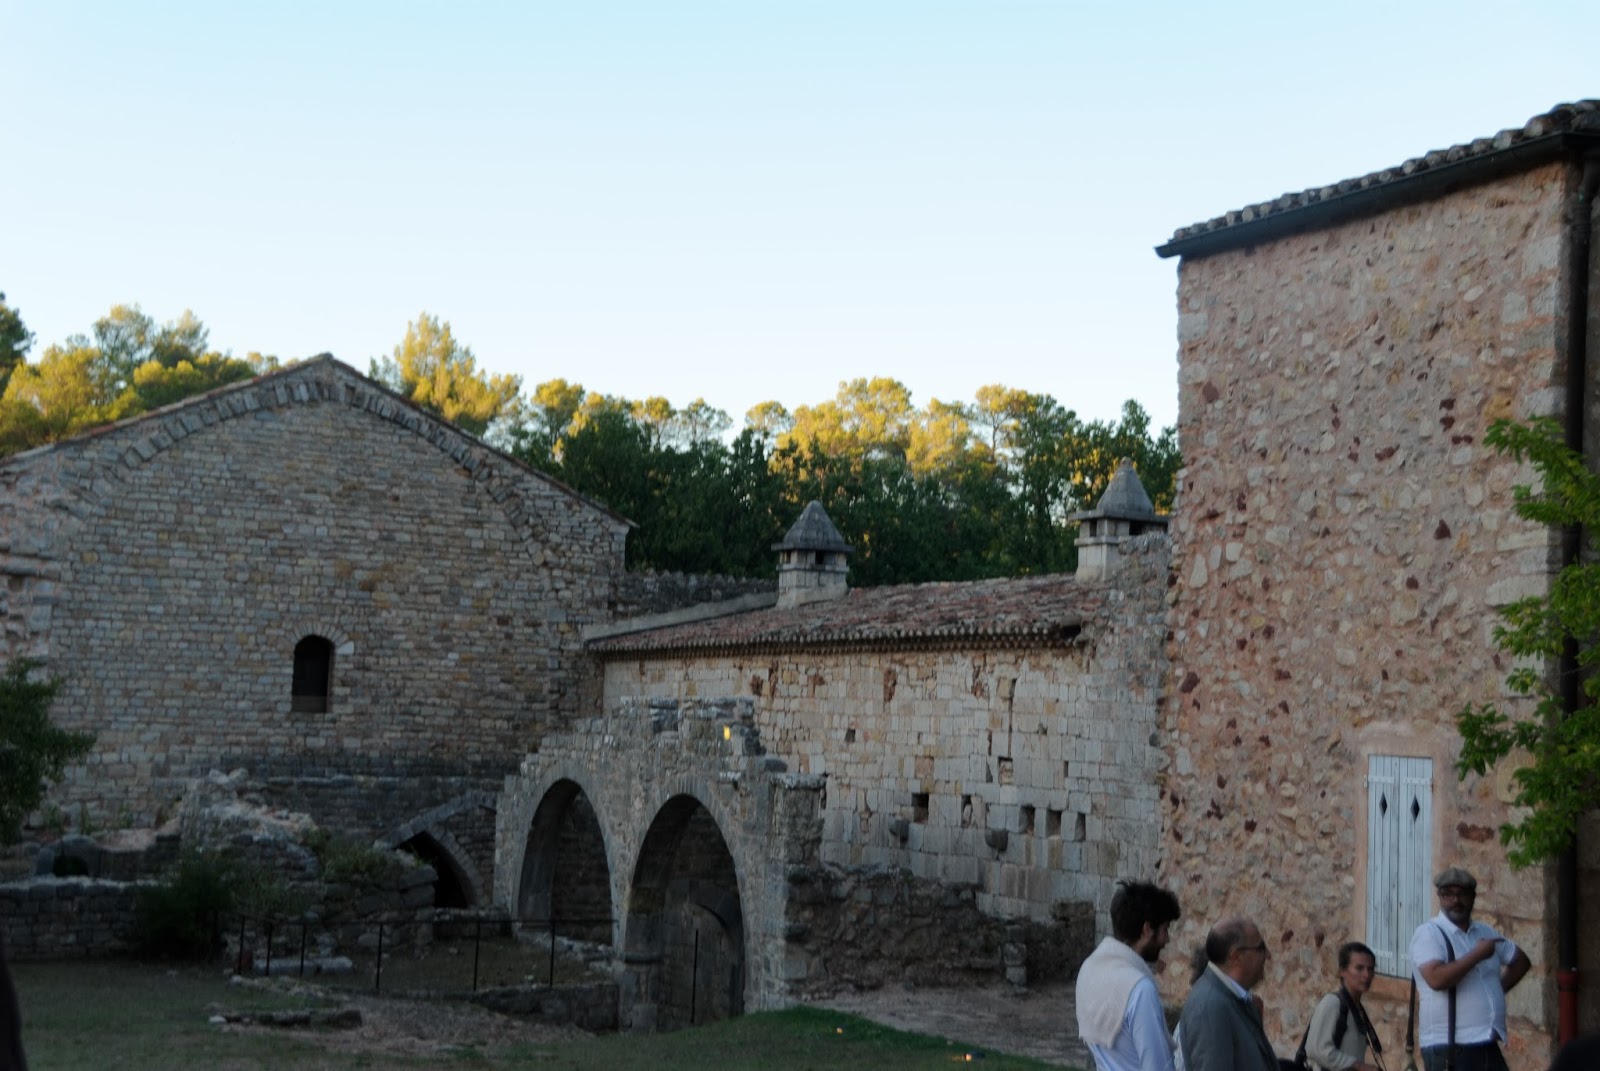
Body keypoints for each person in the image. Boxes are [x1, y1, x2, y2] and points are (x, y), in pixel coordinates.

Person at [1409, 866, 1530, 1071]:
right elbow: (1436, 979)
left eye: (1462, 894)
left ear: (1473, 897)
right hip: (1449, 1046)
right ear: (1439, 896)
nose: (1455, 900)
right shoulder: (1429, 934)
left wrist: (1495, 990)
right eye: (1448, 894)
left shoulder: (1484, 931)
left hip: (1486, 1042)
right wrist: (1478, 955)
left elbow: (1521, 960)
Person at [1075, 880, 1182, 1071]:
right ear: (1147, 929)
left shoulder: (1088, 969)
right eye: (1165, 930)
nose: (1167, 940)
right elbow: (1157, 1065)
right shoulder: (1140, 989)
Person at [1177, 916, 1279, 1071]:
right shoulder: (1209, 1007)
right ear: (1236, 957)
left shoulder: (1235, 998)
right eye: (1261, 948)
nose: (1268, 956)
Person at [1301, 941, 1382, 1071]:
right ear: (1342, 971)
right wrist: (1359, 1066)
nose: (1366, 975)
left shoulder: (1357, 1009)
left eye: (1370, 969)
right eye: (1359, 968)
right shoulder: (1332, 1003)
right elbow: (1316, 1050)